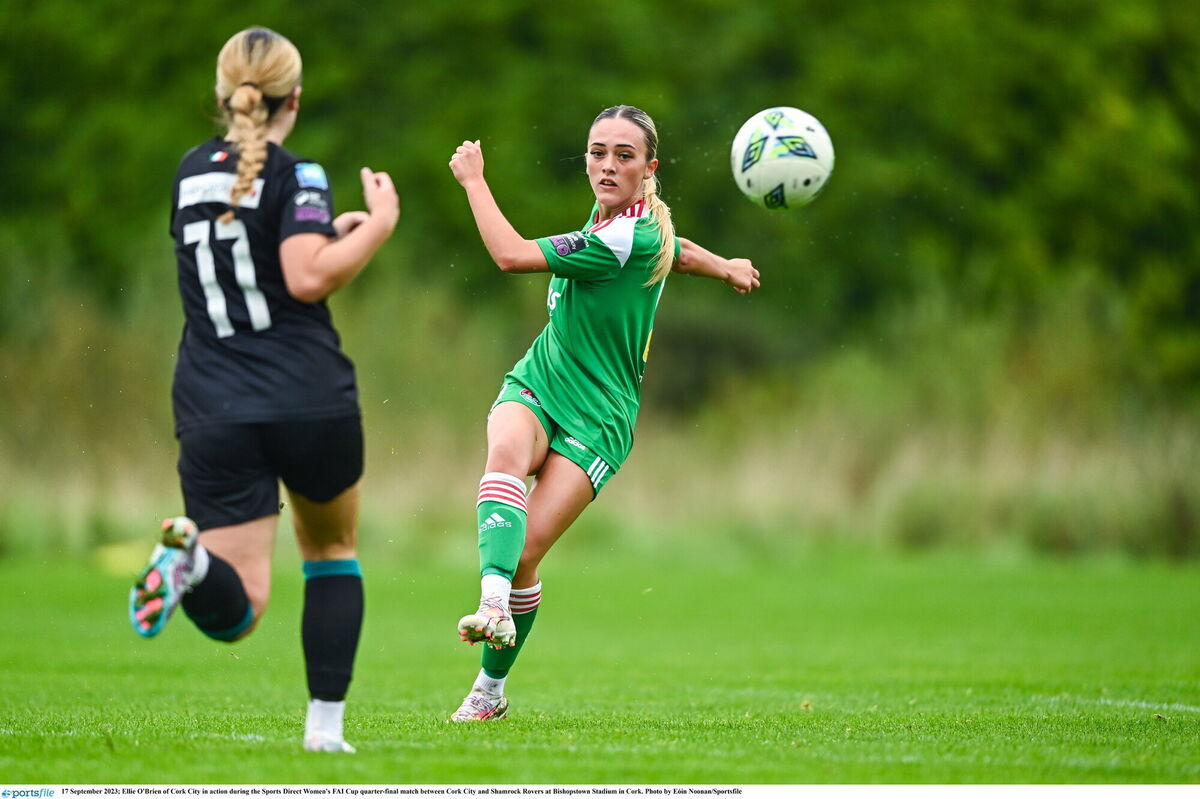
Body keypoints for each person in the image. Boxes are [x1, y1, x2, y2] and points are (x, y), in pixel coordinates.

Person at [127, 27, 399, 753]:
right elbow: (307, 275)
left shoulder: (188, 172)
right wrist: (378, 226)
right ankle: (324, 732)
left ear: (223, 96)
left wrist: (323, 231)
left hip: (214, 402)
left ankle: (189, 563)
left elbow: (255, 247)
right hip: (307, 394)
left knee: (237, 607)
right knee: (332, 550)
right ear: (295, 100)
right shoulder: (299, 174)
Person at [445, 105, 759, 721]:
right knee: (505, 448)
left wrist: (474, 182)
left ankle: (489, 692)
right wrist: (723, 265)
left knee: (526, 555)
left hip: (600, 419)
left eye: (624, 154)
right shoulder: (624, 220)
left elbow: (508, 256)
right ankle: (492, 606)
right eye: (597, 152)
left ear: (649, 168)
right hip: (541, 380)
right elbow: (680, 247)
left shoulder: (625, 236)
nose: (607, 165)